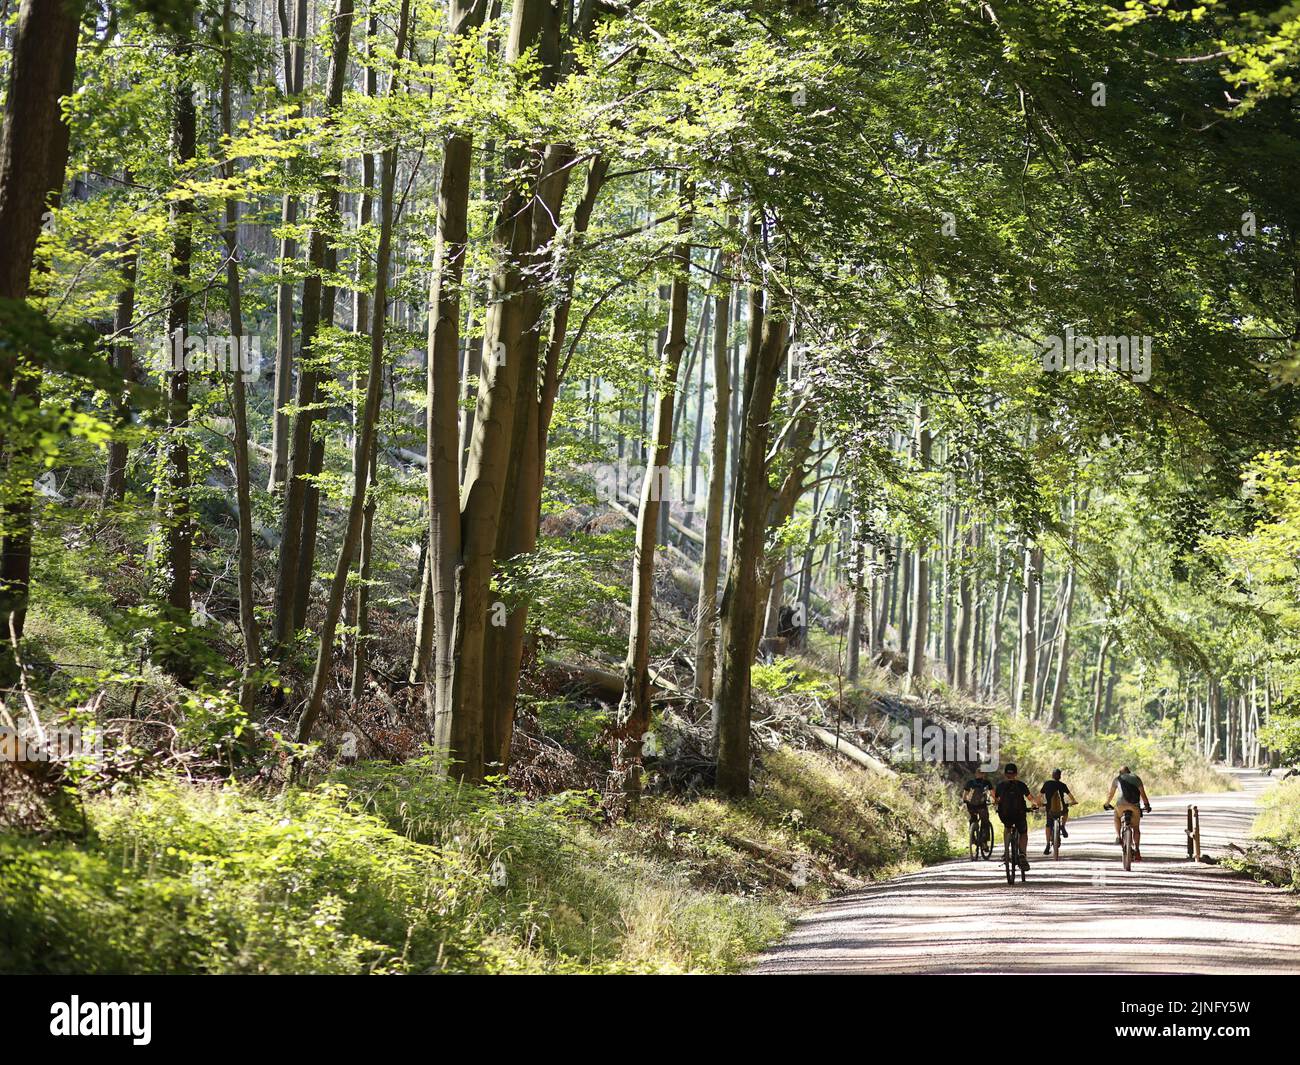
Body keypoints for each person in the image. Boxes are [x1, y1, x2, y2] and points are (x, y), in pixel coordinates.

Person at [994, 762, 1038, 871]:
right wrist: (1034, 805)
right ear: (1016, 774)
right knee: (1023, 833)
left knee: (1007, 828)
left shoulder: (1000, 786)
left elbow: (996, 801)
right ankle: (1022, 854)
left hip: (1005, 816)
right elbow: (1030, 798)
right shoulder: (1021, 785)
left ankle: (1006, 852)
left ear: (1005, 774)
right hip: (1019, 815)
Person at [1104, 765, 1152, 861]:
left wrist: (1106, 804)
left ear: (1120, 773)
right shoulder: (1136, 778)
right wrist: (1147, 805)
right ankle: (1137, 850)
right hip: (1134, 806)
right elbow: (1143, 794)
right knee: (1136, 828)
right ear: (1129, 772)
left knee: (1116, 817)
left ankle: (1118, 836)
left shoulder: (1117, 779)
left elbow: (1111, 794)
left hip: (1121, 805)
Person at [1039, 768, 1075, 855]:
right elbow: (1071, 797)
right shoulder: (1063, 785)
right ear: (1060, 776)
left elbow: (1040, 796)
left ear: (1052, 775)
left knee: (1048, 825)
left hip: (1050, 810)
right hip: (1061, 810)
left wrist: (1039, 804)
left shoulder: (1047, 784)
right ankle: (1062, 826)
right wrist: (1073, 802)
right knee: (1066, 811)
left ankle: (1047, 844)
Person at [962, 768, 993, 835]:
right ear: (983, 774)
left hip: (971, 807)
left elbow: (964, 796)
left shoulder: (969, 783)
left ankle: (972, 837)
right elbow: (992, 794)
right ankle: (984, 840)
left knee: (972, 819)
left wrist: (965, 801)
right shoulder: (987, 782)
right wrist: (994, 801)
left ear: (976, 774)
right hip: (982, 807)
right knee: (985, 821)